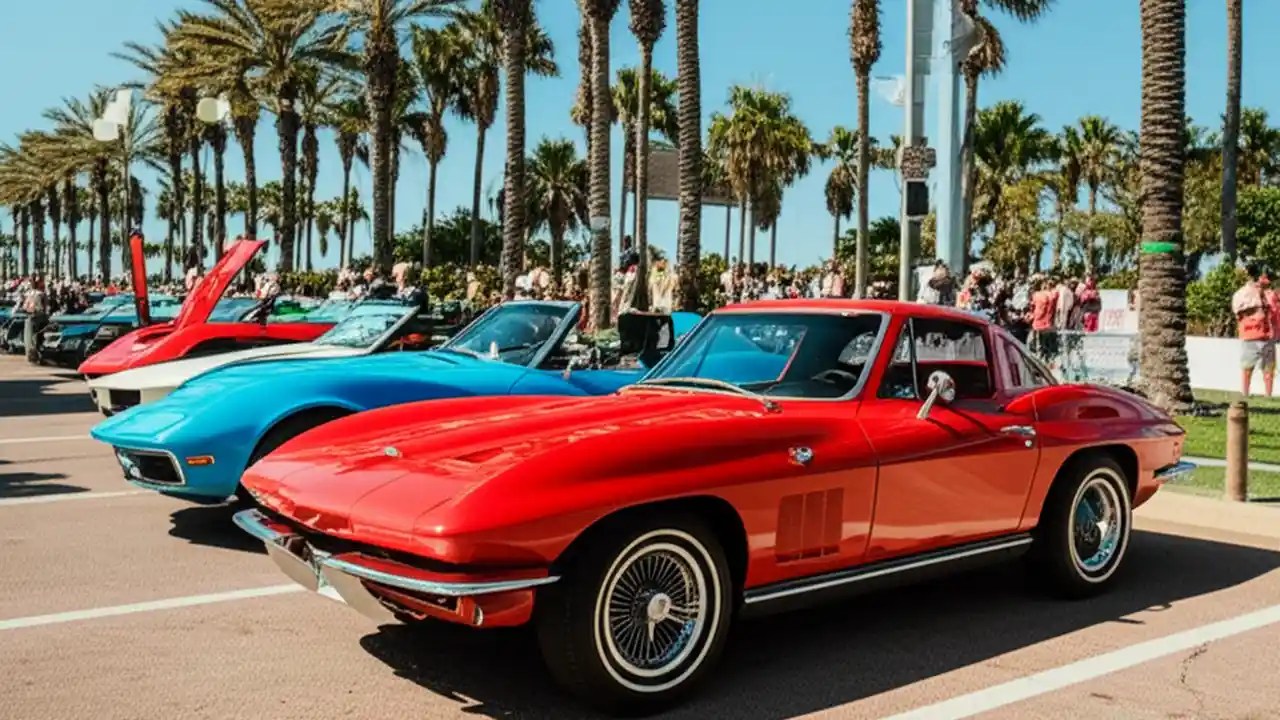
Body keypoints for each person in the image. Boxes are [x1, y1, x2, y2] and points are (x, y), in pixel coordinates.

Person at [1234, 265, 1274, 396]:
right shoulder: (1243, 293)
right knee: (1247, 367)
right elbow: (1238, 311)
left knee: (1269, 369)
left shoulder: (1270, 295)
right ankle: (1245, 393)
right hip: (1251, 335)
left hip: (1267, 336)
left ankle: (1268, 395)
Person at [22, 277, 49, 364]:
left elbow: (24, 306)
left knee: (29, 338)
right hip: (39, 317)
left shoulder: (27, 293)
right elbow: (45, 307)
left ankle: (31, 356)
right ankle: (36, 356)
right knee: (38, 338)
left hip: (29, 317)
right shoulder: (41, 294)